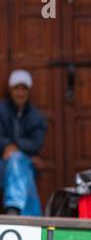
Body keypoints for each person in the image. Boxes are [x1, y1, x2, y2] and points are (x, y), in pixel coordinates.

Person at [0, 69, 47, 216]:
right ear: (10, 90)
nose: (20, 93)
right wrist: (9, 147)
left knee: (18, 163)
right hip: (3, 162)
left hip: (26, 163)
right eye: (16, 89)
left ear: (28, 91)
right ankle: (34, 219)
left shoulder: (36, 117)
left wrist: (15, 147)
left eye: (23, 89)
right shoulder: (1, 110)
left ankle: (13, 207)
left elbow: (36, 143)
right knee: (17, 164)